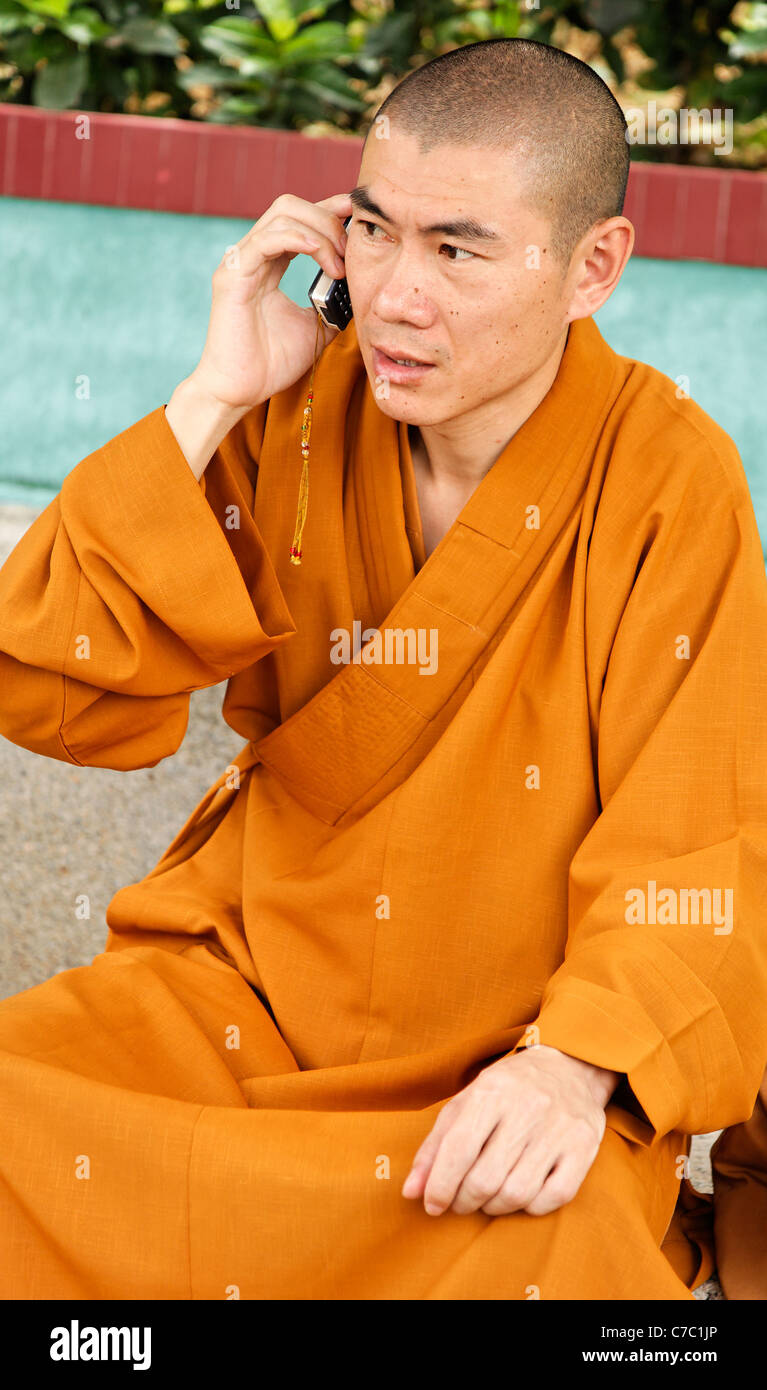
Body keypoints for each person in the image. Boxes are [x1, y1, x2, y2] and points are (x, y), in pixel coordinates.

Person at [0, 36, 765, 1300]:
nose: (398, 292)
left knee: (547, 1248)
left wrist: (574, 1067)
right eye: (371, 231)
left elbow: (700, 835)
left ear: (592, 268)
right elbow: (54, 676)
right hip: (241, 987)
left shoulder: (667, 481)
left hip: (504, 1043)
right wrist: (213, 393)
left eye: (456, 249)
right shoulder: (293, 409)